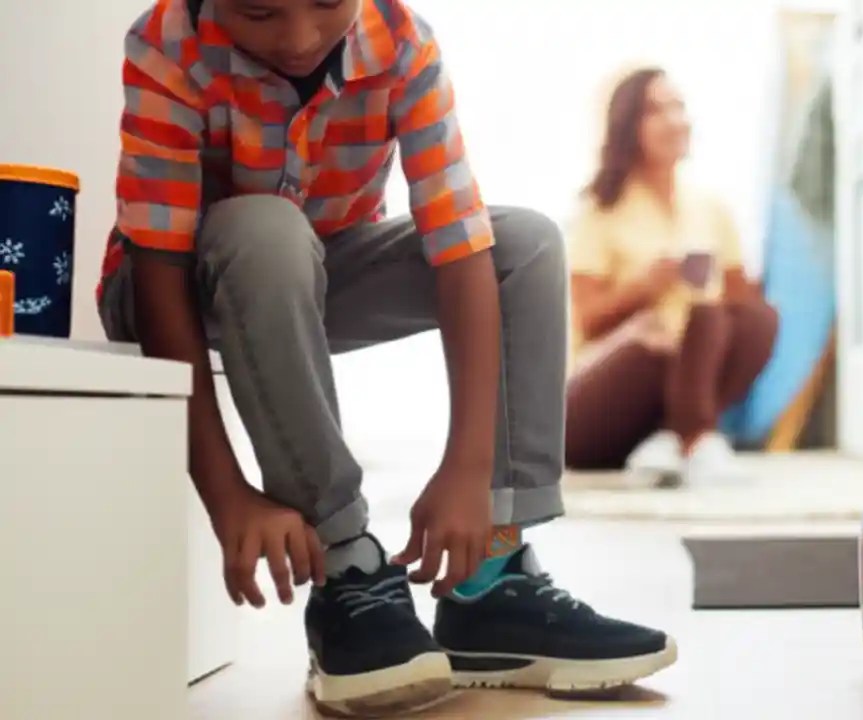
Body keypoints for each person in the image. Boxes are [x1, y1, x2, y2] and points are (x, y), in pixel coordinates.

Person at [96, 0, 675, 715]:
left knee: (524, 243)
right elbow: (157, 277)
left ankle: (491, 581)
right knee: (264, 227)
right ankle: (347, 569)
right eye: (259, 14)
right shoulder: (167, 47)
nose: (300, 39)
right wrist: (229, 496)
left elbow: (460, 245)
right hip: (177, 286)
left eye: (328, 5)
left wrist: (467, 470)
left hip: (319, 268)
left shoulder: (399, 41)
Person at [565, 67, 779, 486]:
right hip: (611, 387)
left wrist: (711, 297)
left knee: (754, 318)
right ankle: (696, 437)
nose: (675, 119)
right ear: (629, 126)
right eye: (656, 110)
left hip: (688, 373)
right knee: (653, 347)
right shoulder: (599, 209)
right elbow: (585, 319)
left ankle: (675, 438)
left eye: (679, 106)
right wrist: (644, 289)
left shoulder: (711, 208)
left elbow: (741, 301)